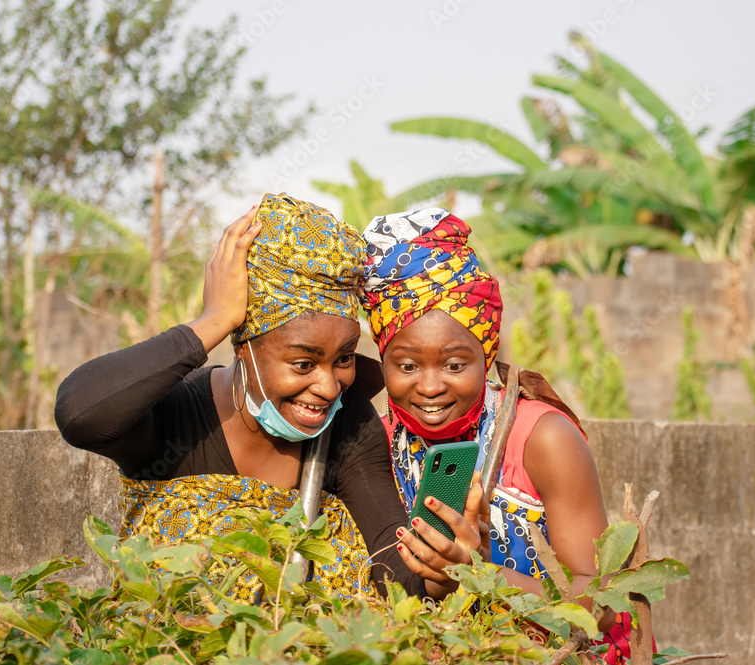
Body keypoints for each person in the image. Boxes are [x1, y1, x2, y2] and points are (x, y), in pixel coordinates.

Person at [54, 193, 481, 603]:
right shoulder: (176, 415)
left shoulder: (348, 424)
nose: (329, 387)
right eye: (302, 364)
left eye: (344, 358)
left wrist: (438, 574)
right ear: (245, 347)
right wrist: (215, 319)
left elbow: (392, 567)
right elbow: (80, 414)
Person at [360, 206, 637, 665]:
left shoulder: (542, 439)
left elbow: (605, 603)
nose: (430, 387)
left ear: (486, 354)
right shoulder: (380, 444)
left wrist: (480, 576)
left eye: (454, 365)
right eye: (407, 366)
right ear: (384, 361)